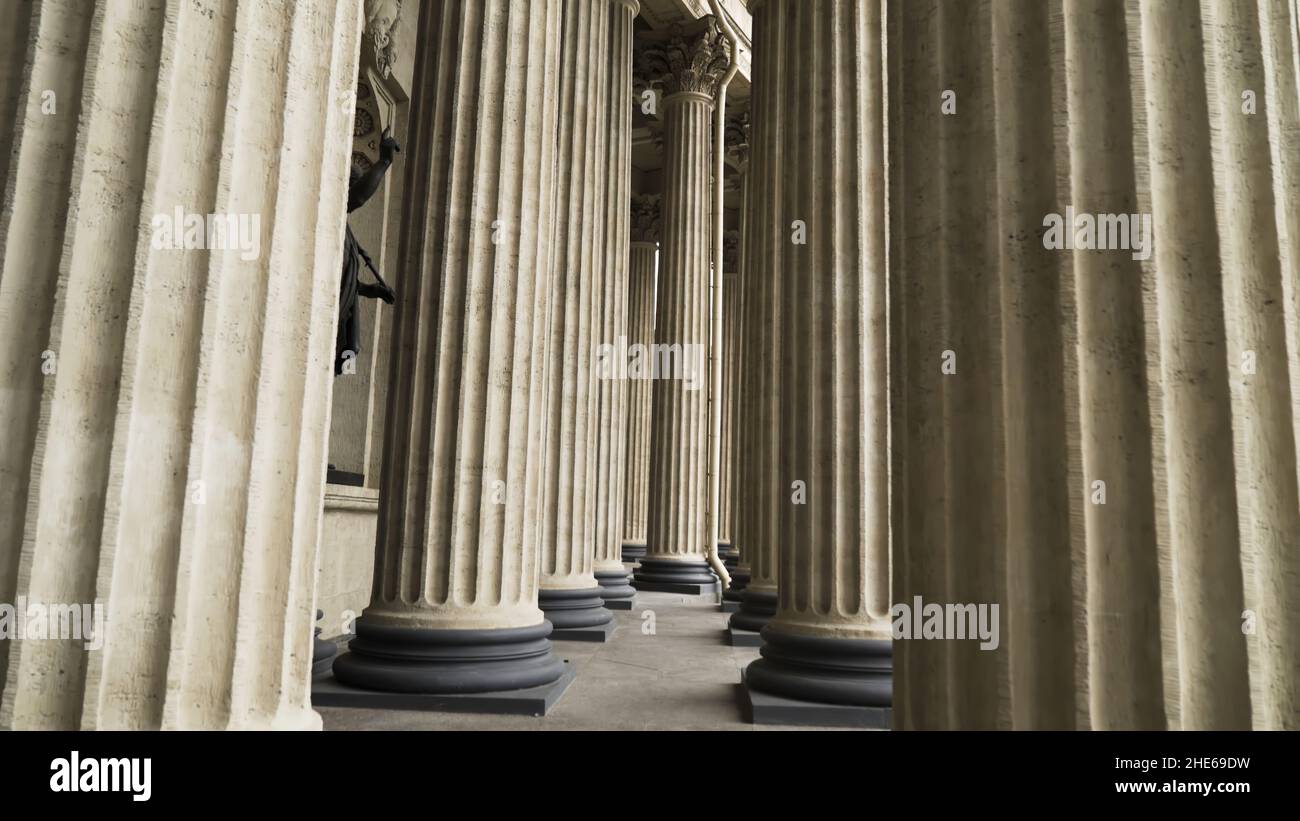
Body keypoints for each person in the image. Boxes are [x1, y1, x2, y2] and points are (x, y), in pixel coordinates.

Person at [335, 128, 399, 375]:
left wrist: (370, 290)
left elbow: (343, 280)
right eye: (353, 184)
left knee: (347, 355)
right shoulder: (332, 221)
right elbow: (358, 197)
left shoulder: (347, 234)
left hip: (341, 315)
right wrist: (383, 162)